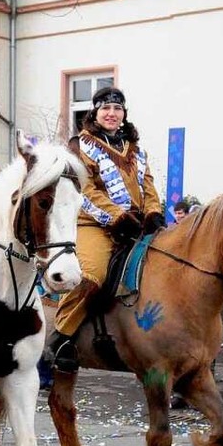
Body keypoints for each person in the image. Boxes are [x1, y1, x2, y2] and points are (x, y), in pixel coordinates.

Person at [46, 86, 164, 375]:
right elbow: (86, 191)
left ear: (124, 114)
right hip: (93, 224)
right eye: (106, 109)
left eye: (117, 109)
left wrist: (153, 213)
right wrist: (117, 218)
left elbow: (148, 186)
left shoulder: (137, 149)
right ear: (95, 113)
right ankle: (61, 337)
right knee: (92, 276)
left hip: (135, 225)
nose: (112, 114)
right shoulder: (80, 145)